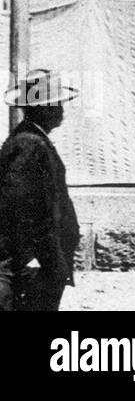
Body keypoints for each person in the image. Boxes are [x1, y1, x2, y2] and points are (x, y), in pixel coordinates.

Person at [0, 70, 81, 311]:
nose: (61, 110)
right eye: (56, 104)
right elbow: (22, 209)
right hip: (33, 263)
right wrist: (41, 258)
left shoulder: (33, 140)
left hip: (40, 260)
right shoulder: (29, 144)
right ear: (42, 109)